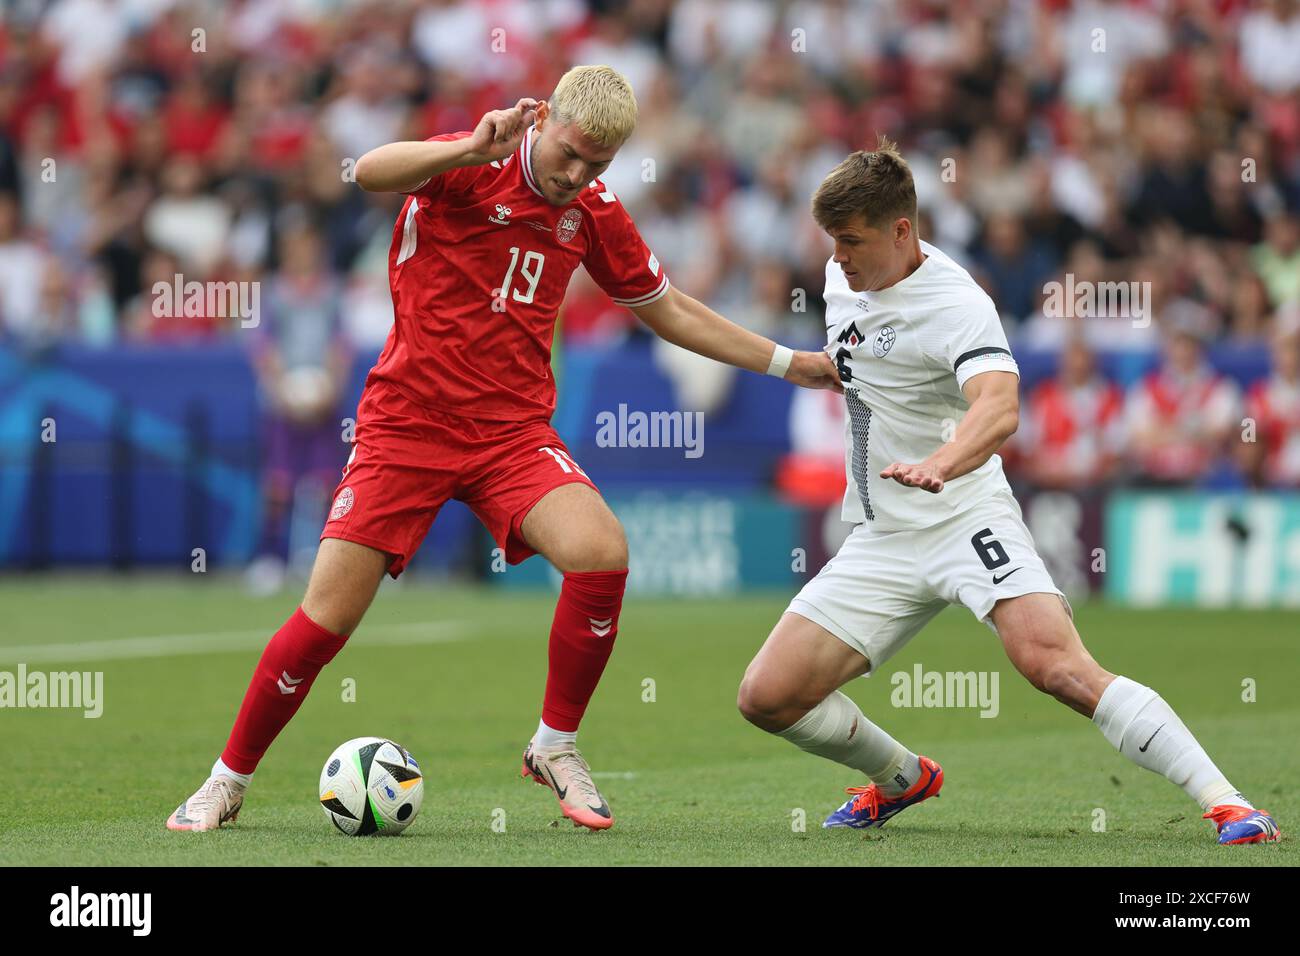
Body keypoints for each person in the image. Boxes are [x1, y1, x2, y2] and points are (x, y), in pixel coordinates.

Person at [167, 65, 840, 834]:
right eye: (572, 153)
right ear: (543, 117)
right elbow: (369, 172)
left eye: (599, 165)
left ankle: (555, 746)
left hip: (510, 434)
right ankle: (227, 779)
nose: (578, 174)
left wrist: (792, 364)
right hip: (406, 426)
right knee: (325, 619)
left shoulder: (591, 209)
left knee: (601, 551)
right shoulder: (471, 163)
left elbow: (671, 309)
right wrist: (460, 153)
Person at [736, 139, 1280, 846]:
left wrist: (946, 460)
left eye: (851, 241)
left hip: (962, 511)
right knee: (766, 697)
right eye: (832, 241)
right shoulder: (847, 281)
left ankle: (1226, 802)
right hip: (884, 534)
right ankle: (904, 777)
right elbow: (855, 366)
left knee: (1053, 666)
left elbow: (999, 407)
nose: (837, 257)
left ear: (902, 231)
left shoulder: (959, 302)